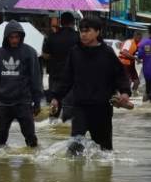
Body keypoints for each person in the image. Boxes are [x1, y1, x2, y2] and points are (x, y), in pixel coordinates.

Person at [51, 16, 131, 151]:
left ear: (98, 32)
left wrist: (125, 92)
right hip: (80, 107)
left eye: (87, 31)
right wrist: (55, 97)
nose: (83, 34)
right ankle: (75, 172)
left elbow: (120, 75)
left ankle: (103, 173)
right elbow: (66, 79)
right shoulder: (75, 53)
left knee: (104, 152)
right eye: (81, 31)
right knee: (74, 150)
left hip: (102, 108)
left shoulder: (107, 53)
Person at [0, 20, 43, 148]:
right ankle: (1, 165)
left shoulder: (30, 52)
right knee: (0, 139)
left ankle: (32, 165)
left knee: (30, 138)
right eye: (11, 37)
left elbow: (36, 78)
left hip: (23, 102)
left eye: (17, 37)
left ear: (21, 37)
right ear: (6, 37)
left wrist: (37, 102)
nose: (14, 40)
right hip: (5, 103)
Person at [42, 12, 80, 116]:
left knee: (54, 106)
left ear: (60, 22)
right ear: (73, 22)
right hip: (73, 77)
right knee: (72, 109)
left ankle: (53, 125)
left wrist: (55, 56)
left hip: (55, 75)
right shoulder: (78, 37)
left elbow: (45, 55)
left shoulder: (52, 37)